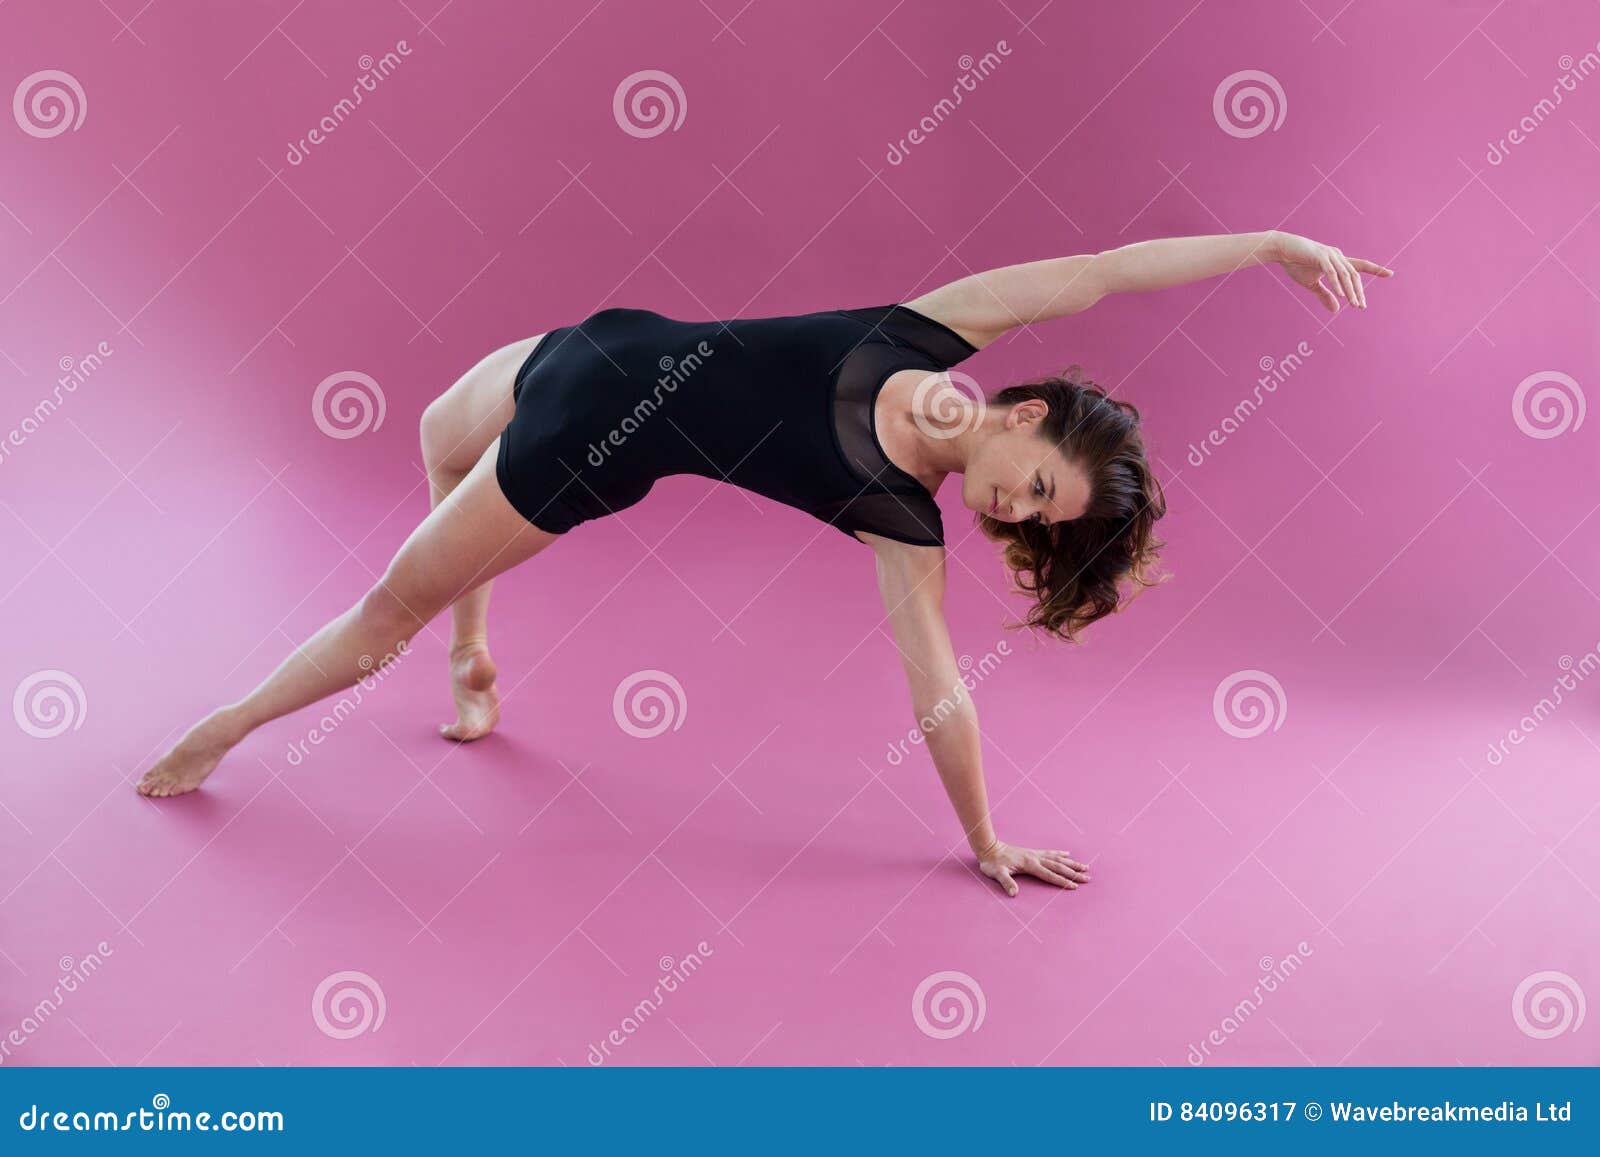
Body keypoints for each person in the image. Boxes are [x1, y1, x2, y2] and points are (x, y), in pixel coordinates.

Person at [136, 230, 1392, 897]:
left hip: (582, 444)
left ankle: (223, 729)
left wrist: (986, 834)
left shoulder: (899, 515)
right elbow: (1108, 270)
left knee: (381, 608)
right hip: (591, 341)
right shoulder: (935, 320)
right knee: (428, 432)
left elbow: (937, 689)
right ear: (1026, 412)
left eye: (1032, 521)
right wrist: (1269, 241)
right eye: (1041, 484)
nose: (1013, 507)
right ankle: (477, 655)